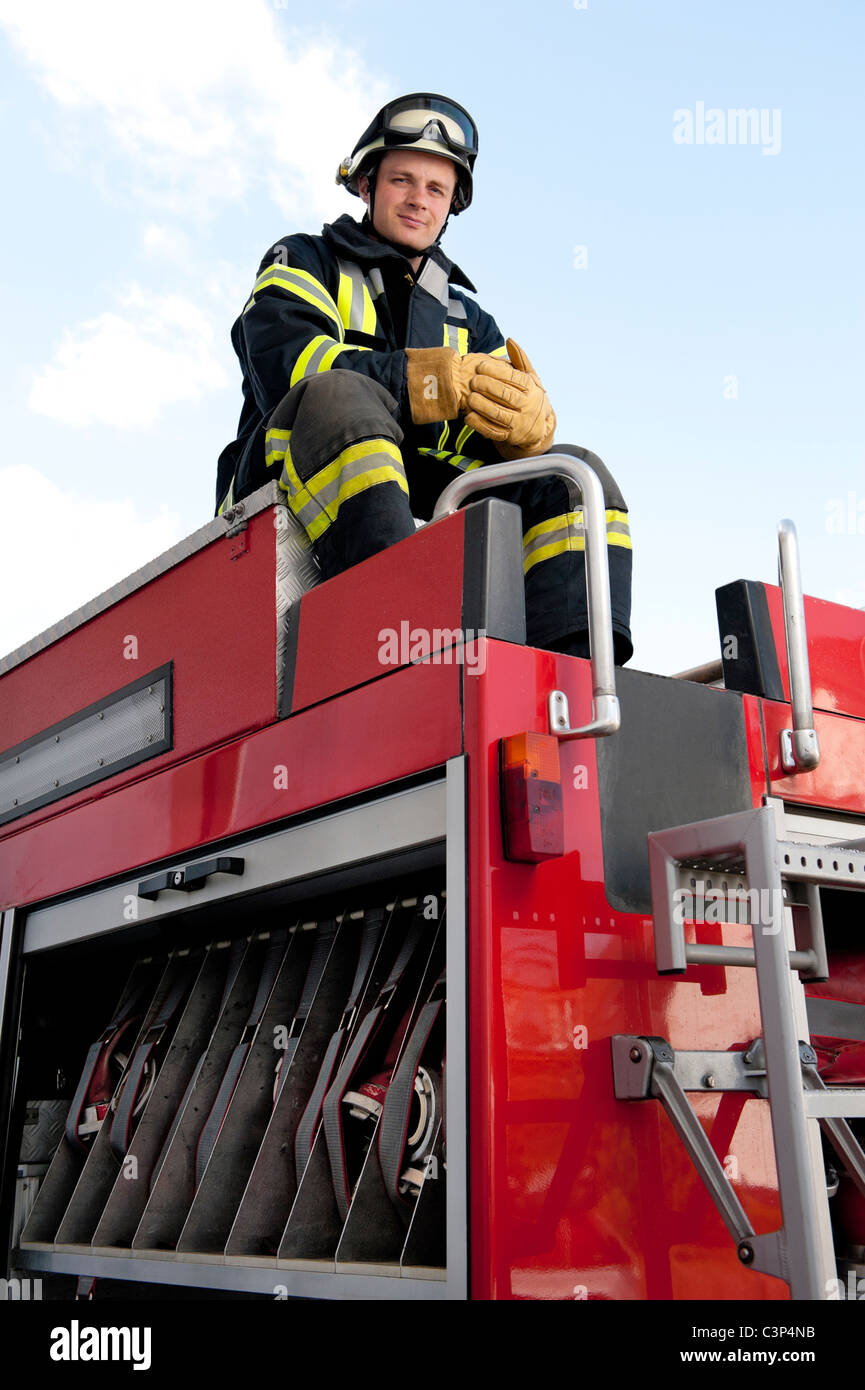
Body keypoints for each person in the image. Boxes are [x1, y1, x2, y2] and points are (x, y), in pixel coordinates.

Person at [216, 93, 633, 663]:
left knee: (569, 474)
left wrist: (520, 433)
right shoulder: (302, 260)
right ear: (367, 186)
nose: (418, 200)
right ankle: (395, 642)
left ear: (451, 205)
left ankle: (572, 673)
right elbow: (291, 369)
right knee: (343, 397)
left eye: (436, 189)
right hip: (284, 485)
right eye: (402, 181)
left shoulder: (468, 318)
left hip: (421, 497)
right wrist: (429, 382)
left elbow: (477, 444)